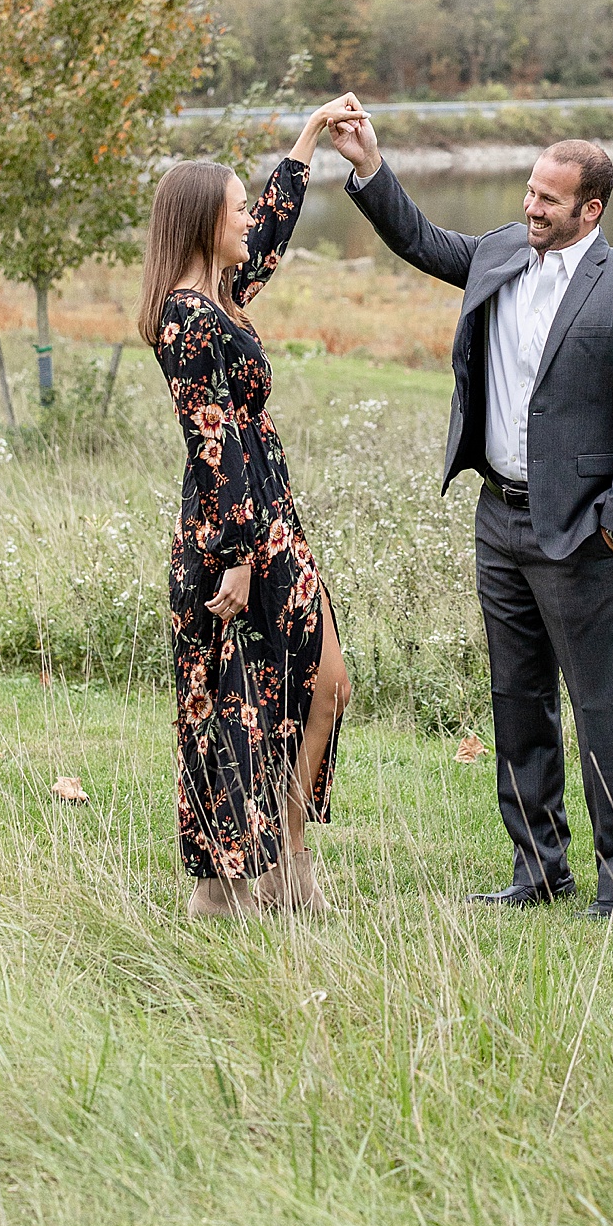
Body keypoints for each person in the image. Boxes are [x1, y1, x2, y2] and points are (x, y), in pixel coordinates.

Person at [327, 107, 613, 921]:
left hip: (581, 536)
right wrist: (370, 166)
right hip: (499, 519)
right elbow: (421, 240)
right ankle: (538, 869)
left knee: (603, 712)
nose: (531, 207)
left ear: (589, 210)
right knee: (518, 702)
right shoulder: (497, 253)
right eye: (529, 190)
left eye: (549, 199)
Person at [137, 101, 358, 917]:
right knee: (228, 700)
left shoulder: (223, 296)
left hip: (270, 521)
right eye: (234, 209)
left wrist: (305, 143)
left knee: (319, 684)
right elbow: (210, 439)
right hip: (231, 533)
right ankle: (222, 887)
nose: (247, 221)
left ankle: (289, 862)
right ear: (202, 225)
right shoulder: (184, 320)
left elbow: (270, 234)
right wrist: (234, 554)